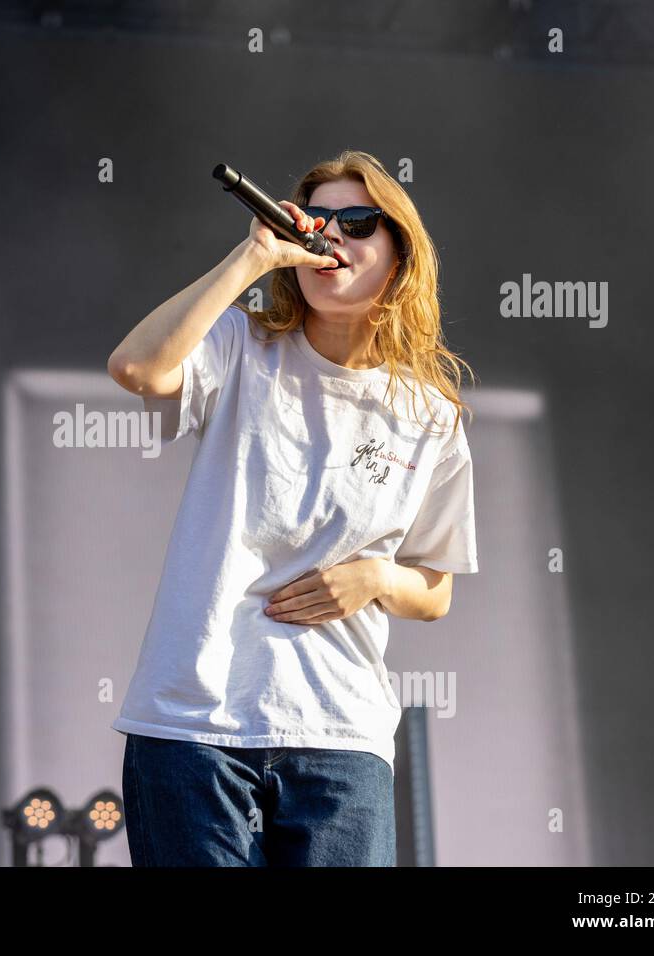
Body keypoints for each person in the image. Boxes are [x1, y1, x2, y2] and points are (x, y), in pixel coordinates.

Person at [107, 150, 479, 866]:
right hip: (193, 727)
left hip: (340, 736)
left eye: (358, 222)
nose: (330, 235)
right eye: (319, 219)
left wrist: (375, 579)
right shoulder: (242, 346)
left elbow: (435, 591)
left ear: (400, 255)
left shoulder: (431, 416)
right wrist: (251, 260)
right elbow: (137, 368)